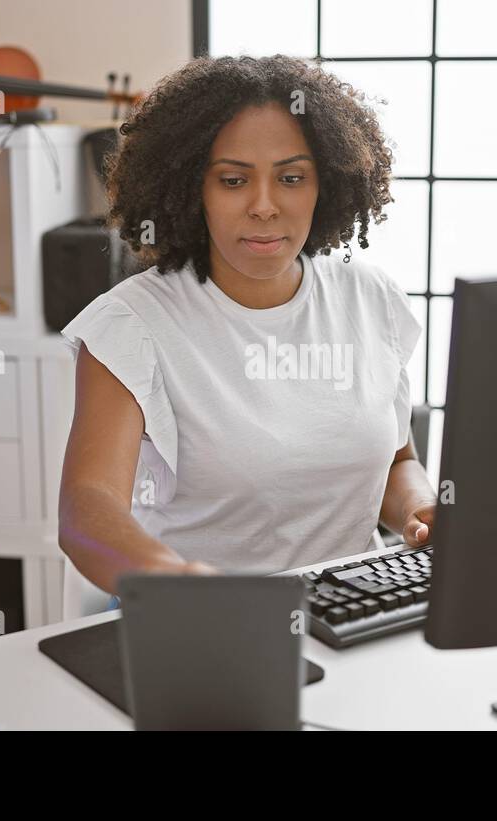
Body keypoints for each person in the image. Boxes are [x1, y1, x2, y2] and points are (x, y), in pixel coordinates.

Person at [58, 55, 436, 596]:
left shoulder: (372, 299)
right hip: (205, 626)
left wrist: (420, 509)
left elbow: (396, 462)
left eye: (291, 177)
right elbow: (85, 509)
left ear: (324, 184)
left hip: (356, 610)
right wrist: (175, 581)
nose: (264, 206)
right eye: (233, 180)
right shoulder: (131, 326)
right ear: (193, 190)